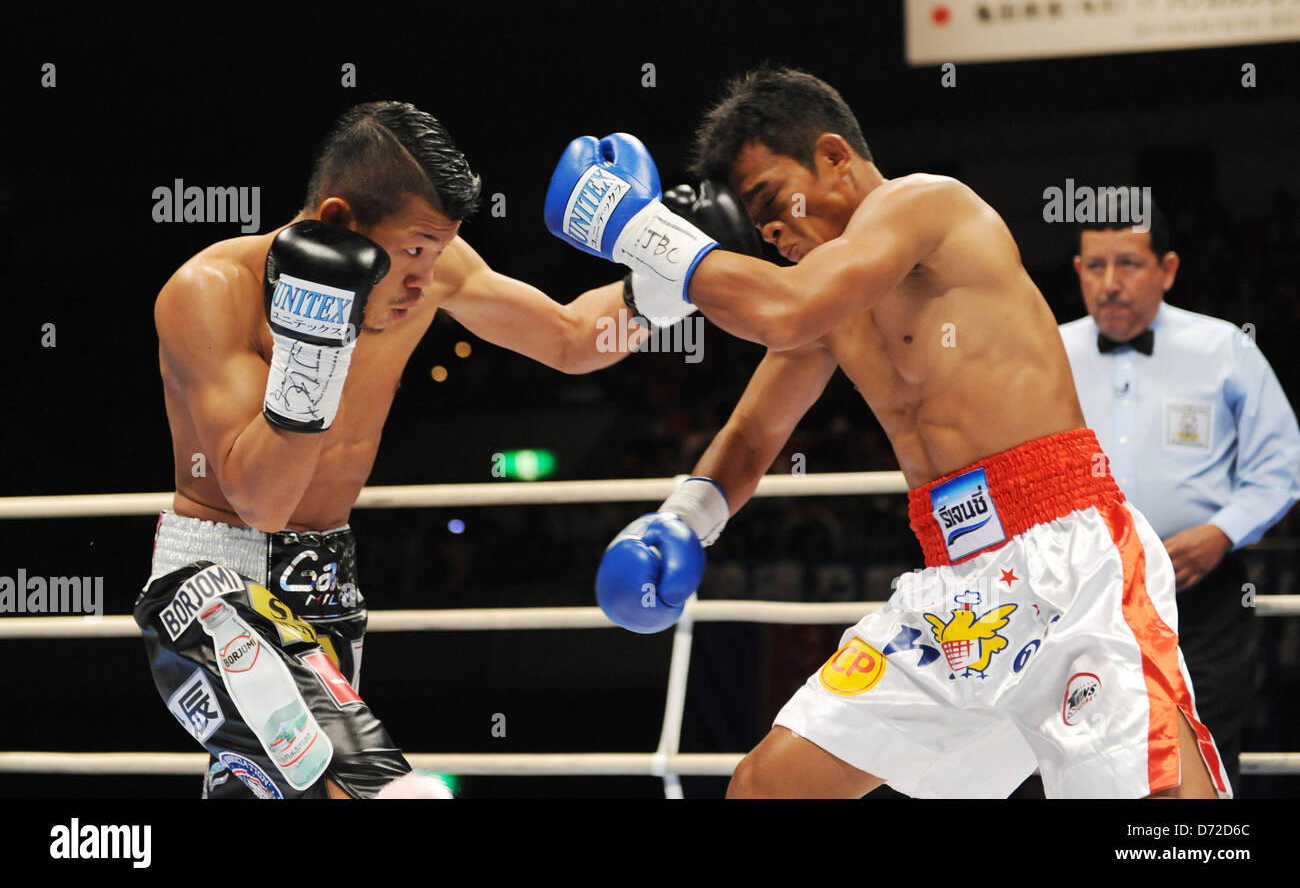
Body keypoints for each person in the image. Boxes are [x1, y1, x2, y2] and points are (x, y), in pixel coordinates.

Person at [544, 66, 1230, 799]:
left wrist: (634, 227)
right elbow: (752, 435)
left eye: (773, 200)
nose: (773, 231)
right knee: (767, 789)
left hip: (1072, 555)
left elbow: (781, 309)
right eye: (759, 223)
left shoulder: (926, 205)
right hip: (955, 590)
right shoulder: (826, 299)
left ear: (835, 156)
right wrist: (684, 519)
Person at [136, 100, 650, 799]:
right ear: (340, 222)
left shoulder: (431, 270)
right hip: (213, 585)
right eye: (413, 250)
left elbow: (572, 340)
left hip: (328, 589)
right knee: (379, 791)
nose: (424, 279)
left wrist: (671, 265)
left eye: (437, 253)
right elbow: (261, 501)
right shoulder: (210, 291)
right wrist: (313, 344)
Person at [1060, 199, 1300, 792]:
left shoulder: (1224, 348)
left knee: (1208, 746)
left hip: (1202, 591)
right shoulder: (1047, 355)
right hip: (1079, 592)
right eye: (1095, 266)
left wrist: (1222, 532)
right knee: (1076, 753)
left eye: (1128, 264)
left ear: (1167, 270)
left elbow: (1281, 462)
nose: (1110, 285)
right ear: (1077, 269)